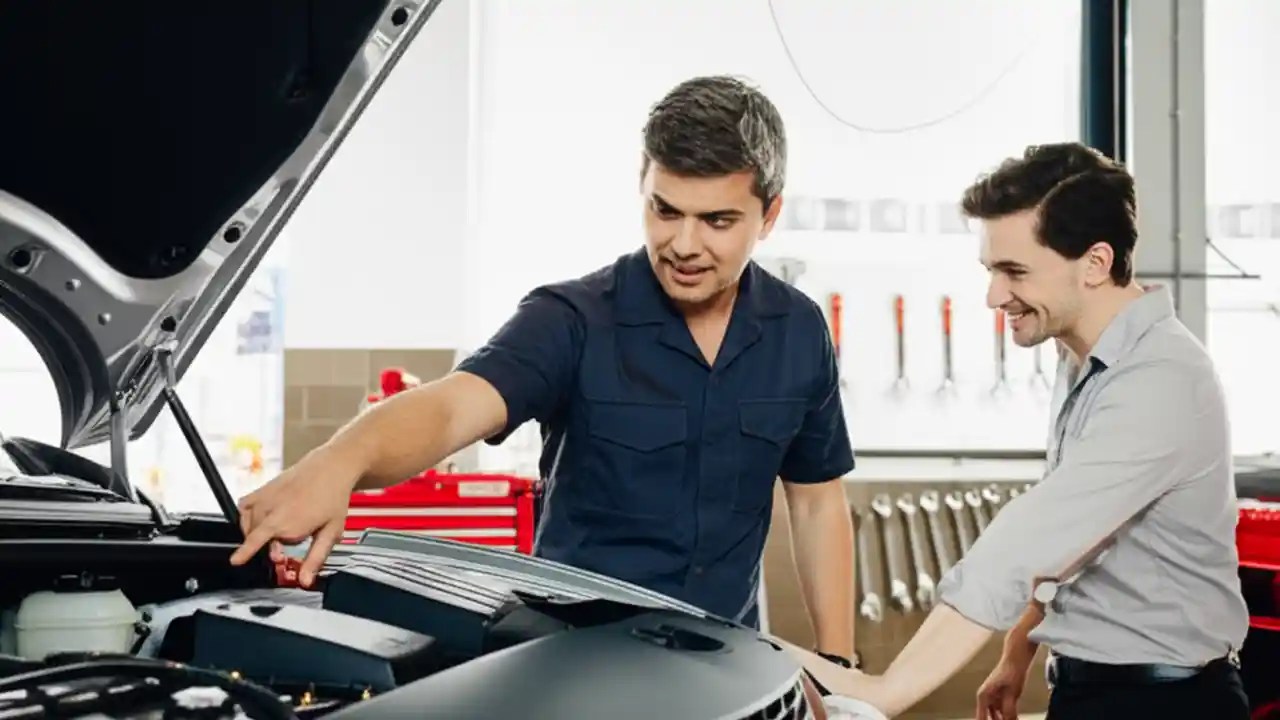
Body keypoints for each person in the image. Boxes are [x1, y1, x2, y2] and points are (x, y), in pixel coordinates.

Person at [228, 75, 859, 665]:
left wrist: (837, 665)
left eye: (717, 221)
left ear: (769, 216)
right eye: (666, 211)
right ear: (642, 186)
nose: (685, 244)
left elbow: (815, 504)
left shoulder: (798, 332)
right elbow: (453, 406)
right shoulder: (572, 319)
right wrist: (341, 462)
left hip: (726, 665)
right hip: (576, 665)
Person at [777, 142, 1251, 719]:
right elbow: (1078, 542)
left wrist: (886, 692)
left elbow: (1028, 539)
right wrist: (1016, 653)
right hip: (1093, 688)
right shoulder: (1085, 360)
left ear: (1096, 263)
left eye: (1014, 272)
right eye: (991, 270)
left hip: (1168, 702)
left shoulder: (1162, 379)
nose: (994, 296)